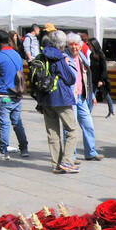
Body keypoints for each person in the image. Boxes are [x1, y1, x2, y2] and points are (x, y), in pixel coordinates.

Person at [37, 29, 79, 174]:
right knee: (72, 129)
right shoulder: (59, 57)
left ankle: (56, 165)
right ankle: (67, 162)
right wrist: (66, 64)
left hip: (45, 97)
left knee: (52, 132)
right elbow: (70, 78)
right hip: (61, 97)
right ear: (62, 44)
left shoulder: (42, 55)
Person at [0, 28, 28, 160]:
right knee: (17, 122)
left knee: (4, 123)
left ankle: (3, 150)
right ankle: (24, 148)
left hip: (4, 95)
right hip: (17, 95)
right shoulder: (16, 55)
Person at [65, 32, 101, 160]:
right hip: (70, 98)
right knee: (70, 128)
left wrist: (91, 94)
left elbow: (86, 77)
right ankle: (71, 156)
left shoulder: (81, 56)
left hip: (82, 96)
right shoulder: (65, 58)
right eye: (71, 45)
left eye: (76, 45)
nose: (74, 47)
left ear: (80, 46)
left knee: (88, 124)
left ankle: (90, 152)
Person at [87, 36, 115, 116]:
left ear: (94, 45)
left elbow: (104, 68)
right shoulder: (91, 55)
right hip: (94, 78)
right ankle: (89, 111)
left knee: (106, 94)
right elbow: (92, 67)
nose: (89, 46)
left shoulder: (101, 55)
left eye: (90, 45)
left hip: (101, 78)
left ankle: (111, 110)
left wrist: (101, 80)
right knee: (92, 95)